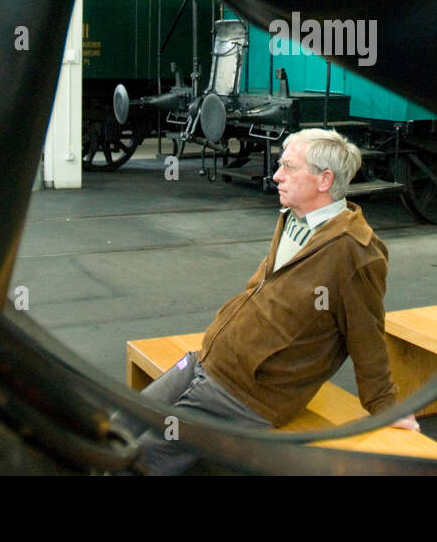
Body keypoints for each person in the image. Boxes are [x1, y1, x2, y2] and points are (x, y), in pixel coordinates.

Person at [111, 127, 418, 475]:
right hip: (209, 360)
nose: (276, 175)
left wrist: (385, 405)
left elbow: (366, 334)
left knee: (142, 460)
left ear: (324, 180)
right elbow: (261, 289)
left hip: (244, 395)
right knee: (118, 423)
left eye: (289, 167)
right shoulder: (292, 218)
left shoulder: (354, 252)